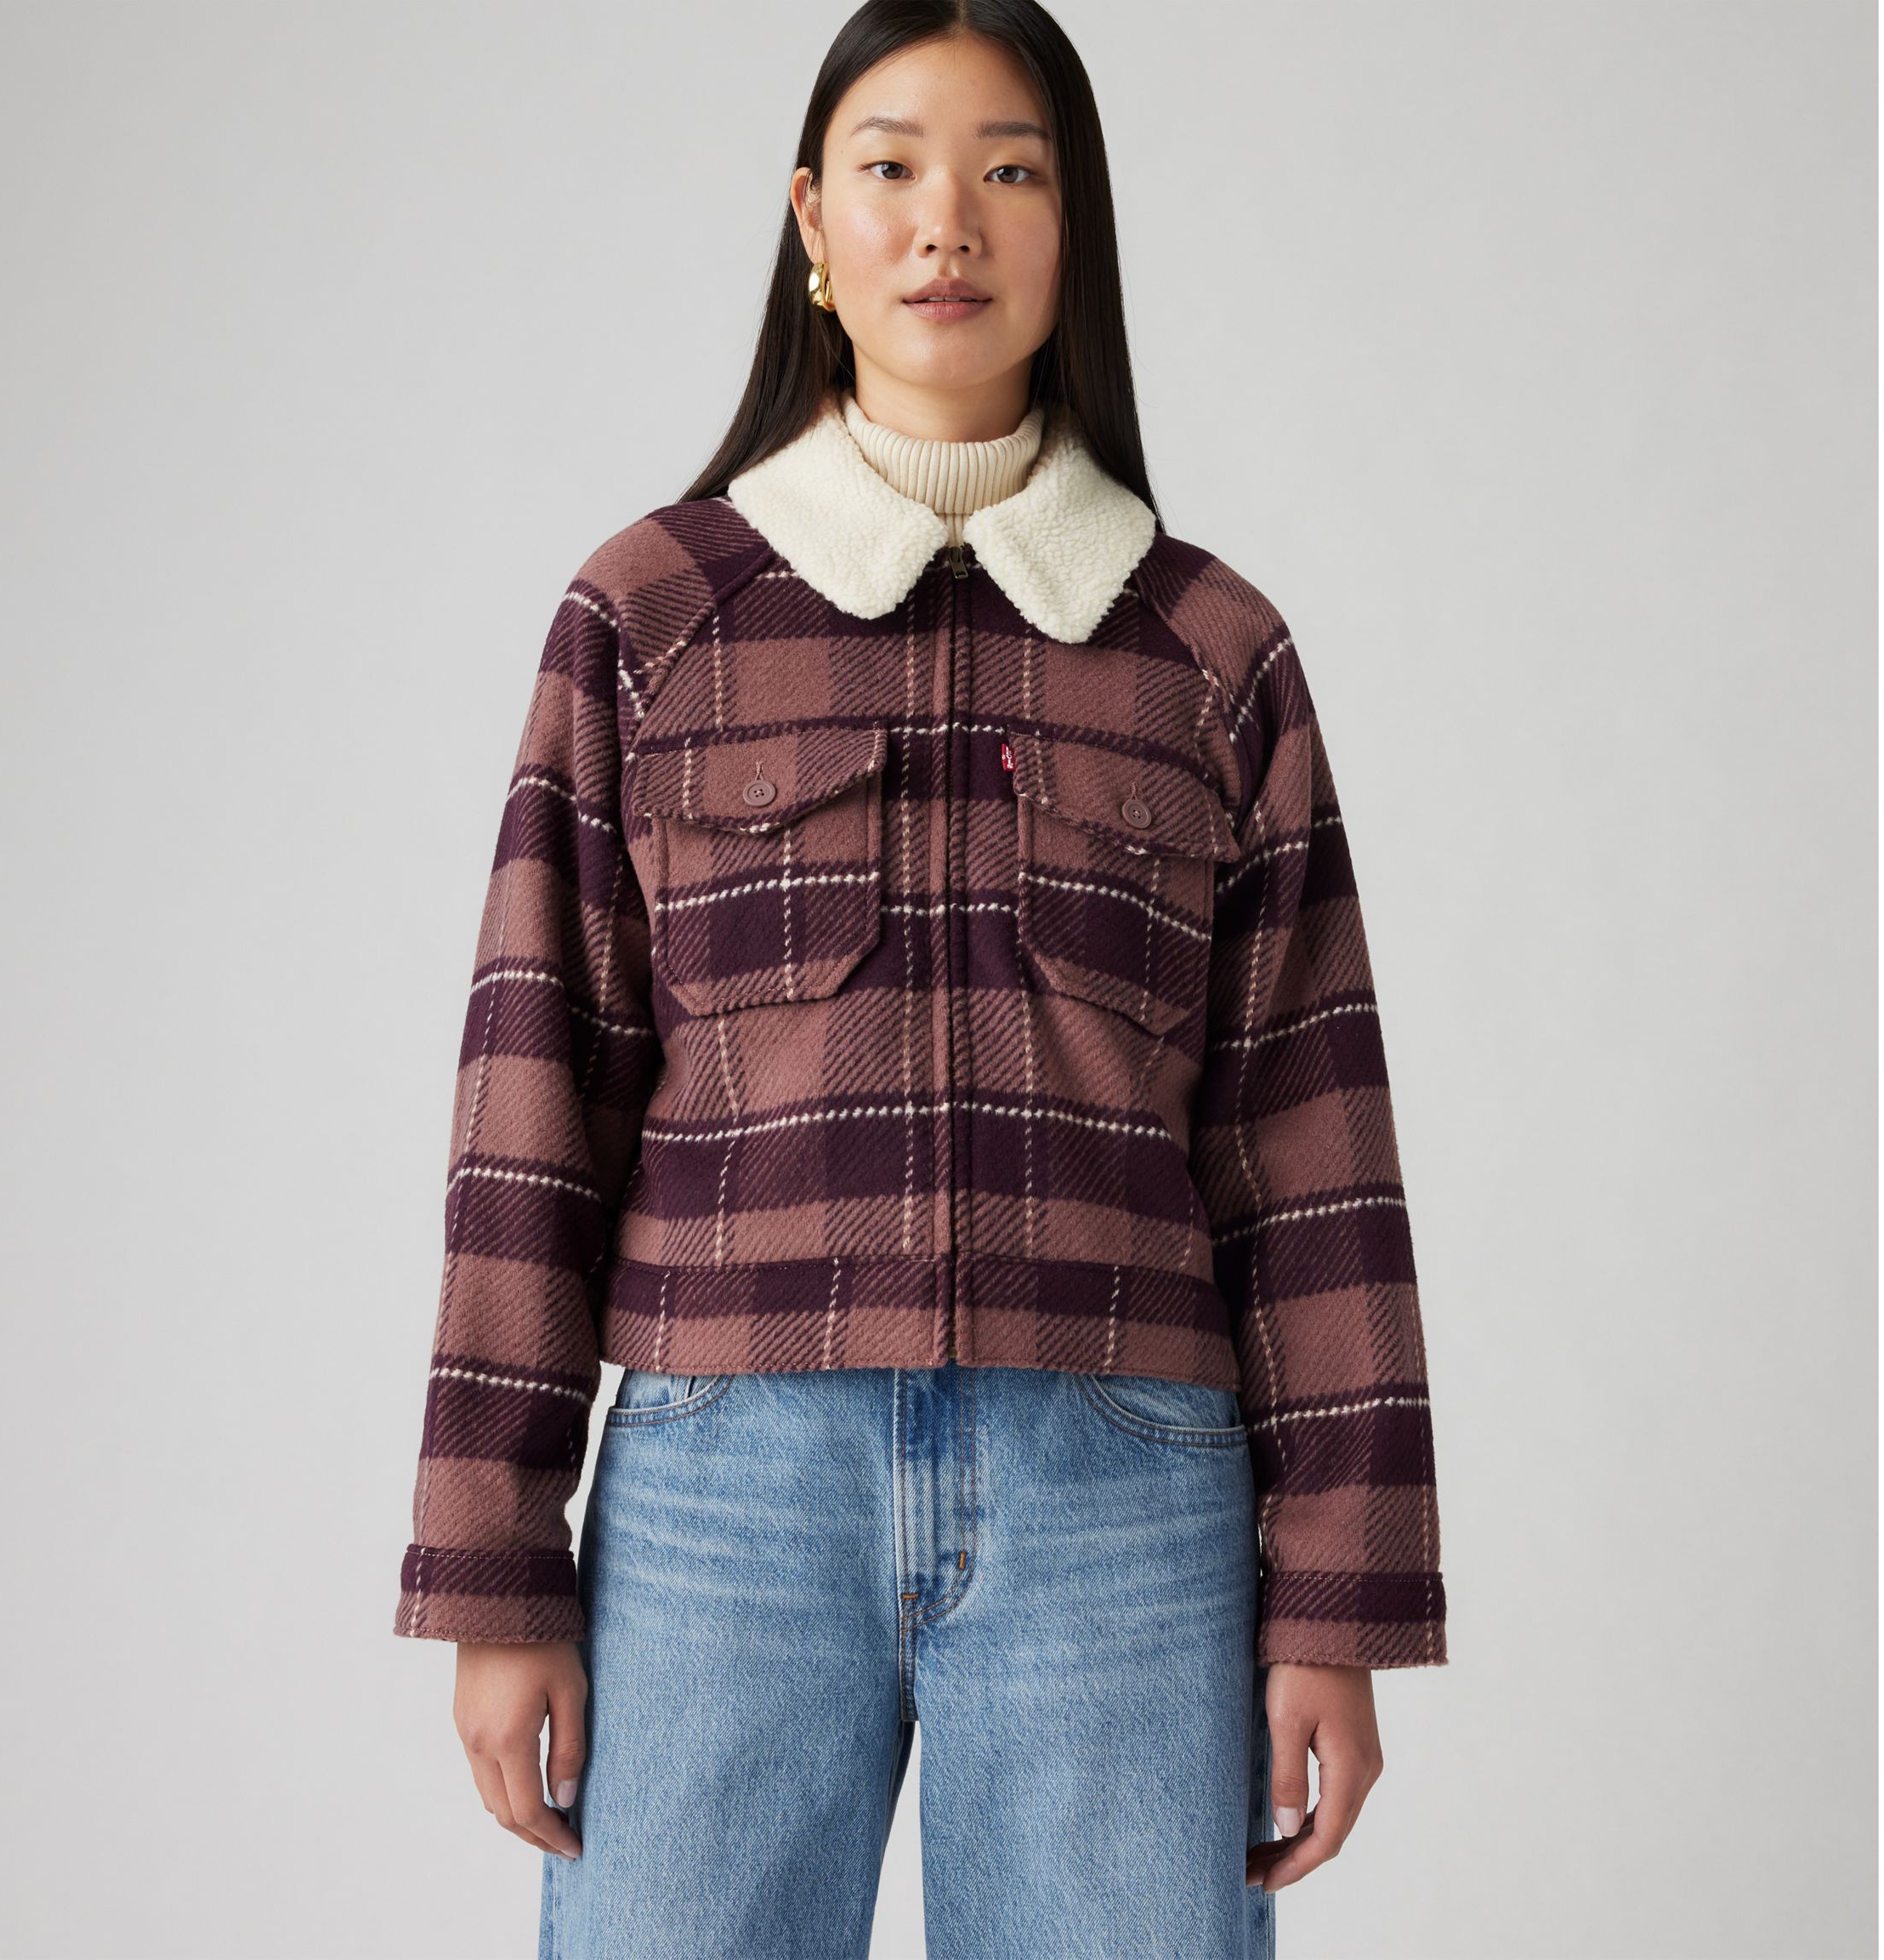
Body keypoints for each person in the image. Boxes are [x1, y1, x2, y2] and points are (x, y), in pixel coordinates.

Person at [390, 3, 1447, 1951]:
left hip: (1123, 1500)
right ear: (811, 222)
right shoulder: (651, 620)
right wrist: (493, 1570)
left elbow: (1307, 1153)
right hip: (724, 1495)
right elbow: (531, 1100)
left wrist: (1335, 1602)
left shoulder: (1208, 655)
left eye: (1006, 170)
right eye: (888, 167)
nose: (944, 219)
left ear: (1070, 229)